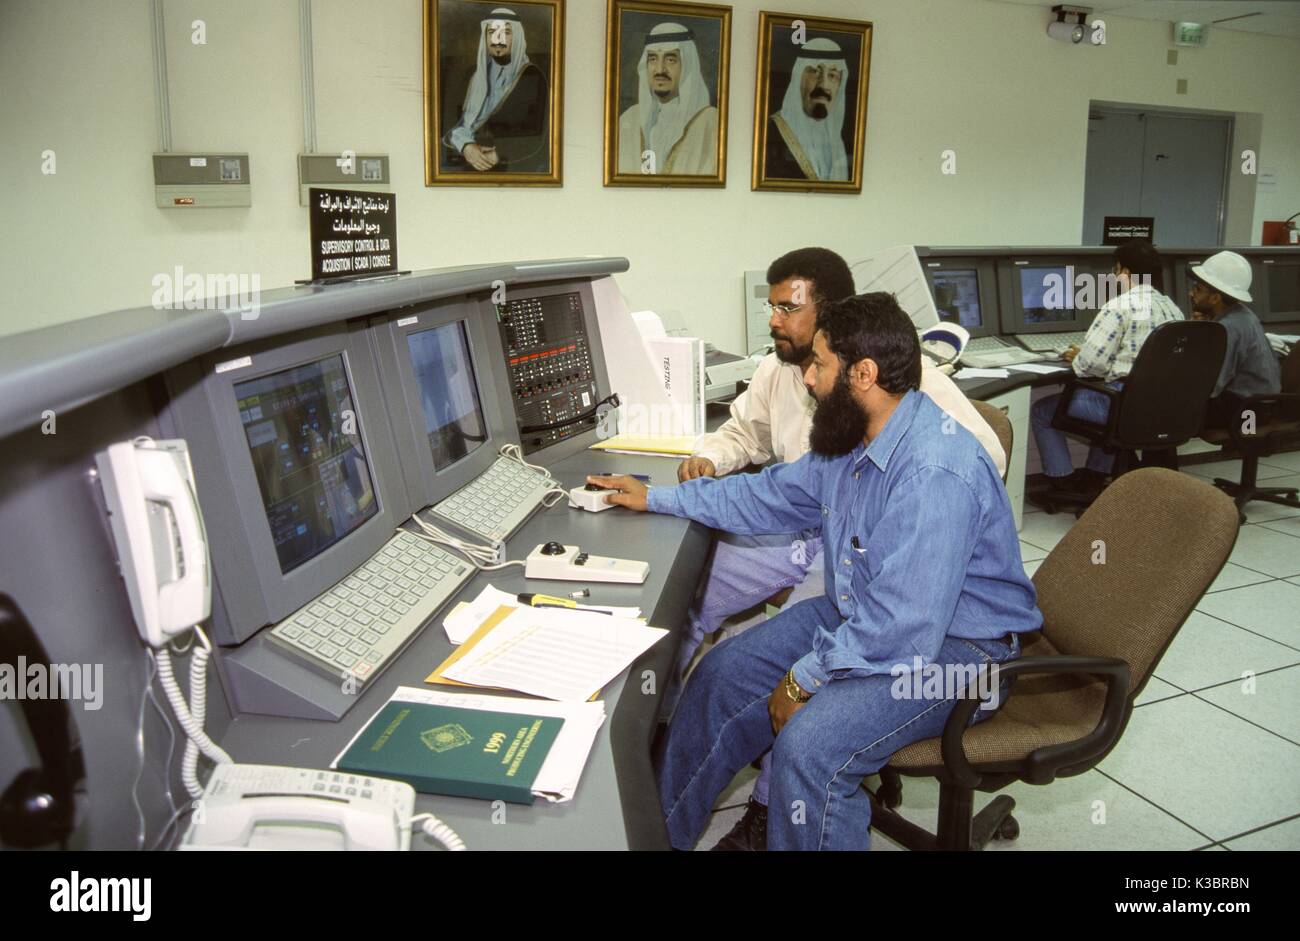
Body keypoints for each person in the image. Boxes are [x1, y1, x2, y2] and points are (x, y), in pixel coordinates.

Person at [588, 293, 1041, 851]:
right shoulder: (854, 441)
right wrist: (657, 499)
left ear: (864, 374)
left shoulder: (934, 472)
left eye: (820, 364)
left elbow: (904, 629)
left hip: (958, 653)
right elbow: (766, 496)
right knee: (720, 679)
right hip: (869, 613)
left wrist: (806, 677)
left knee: (810, 750)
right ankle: (653, 841)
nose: (806, 377)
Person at [1027, 240, 1184, 505]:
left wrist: (1079, 355)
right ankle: (1094, 476)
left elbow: (1089, 366)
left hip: (1125, 407)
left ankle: (1062, 480)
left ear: (1124, 271)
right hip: (1162, 408)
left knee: (1043, 411)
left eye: (1115, 270)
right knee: (1112, 396)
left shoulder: (1119, 306)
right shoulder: (1173, 308)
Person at [442, 8, 547, 173]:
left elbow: (538, 139)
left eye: (506, 32)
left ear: (518, 38)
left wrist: (498, 155)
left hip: (511, 168)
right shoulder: (472, 75)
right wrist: (466, 146)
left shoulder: (531, 76)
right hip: (462, 164)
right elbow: (453, 126)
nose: (498, 39)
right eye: (492, 32)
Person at [1187, 250, 1281, 432]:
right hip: (1259, 405)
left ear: (1215, 298)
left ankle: (1157, 460)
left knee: (1166, 413)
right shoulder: (1242, 315)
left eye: (1198, 289)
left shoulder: (1227, 327)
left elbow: (1213, 384)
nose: (1191, 293)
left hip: (1249, 411)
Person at [616, 22, 718, 176]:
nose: (660, 70)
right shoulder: (629, 119)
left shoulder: (711, 122)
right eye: (653, 59)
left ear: (688, 66)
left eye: (670, 60)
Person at [765, 37, 850, 181]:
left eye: (832, 75)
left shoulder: (838, 146)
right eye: (815, 72)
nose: (823, 85)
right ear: (798, 77)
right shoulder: (771, 133)